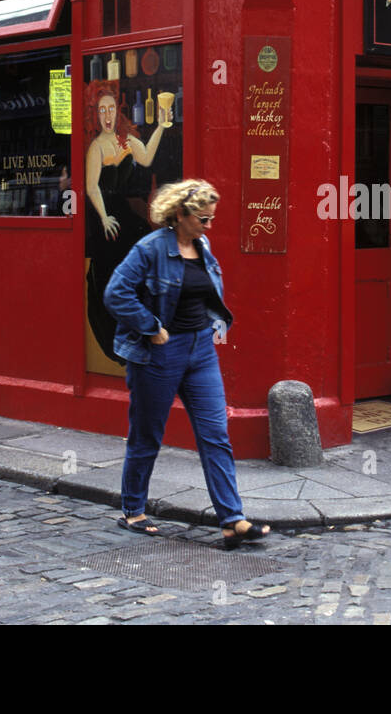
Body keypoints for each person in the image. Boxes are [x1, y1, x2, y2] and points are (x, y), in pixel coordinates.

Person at [103, 179, 270, 549]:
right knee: (148, 435)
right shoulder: (150, 249)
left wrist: (211, 326)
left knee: (216, 436)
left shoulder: (201, 244)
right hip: (158, 353)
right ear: (179, 214)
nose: (209, 226)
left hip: (200, 352)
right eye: (203, 219)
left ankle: (232, 521)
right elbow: (115, 293)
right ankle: (133, 510)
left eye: (211, 219)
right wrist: (151, 328)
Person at [85, 80, 166, 365]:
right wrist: (105, 214)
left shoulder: (127, 140)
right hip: (108, 230)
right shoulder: (95, 147)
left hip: (130, 228)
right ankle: (124, 349)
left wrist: (161, 127)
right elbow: (92, 187)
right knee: (110, 290)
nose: (107, 115)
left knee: (133, 287)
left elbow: (146, 158)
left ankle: (135, 348)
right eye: (101, 110)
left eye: (111, 109)